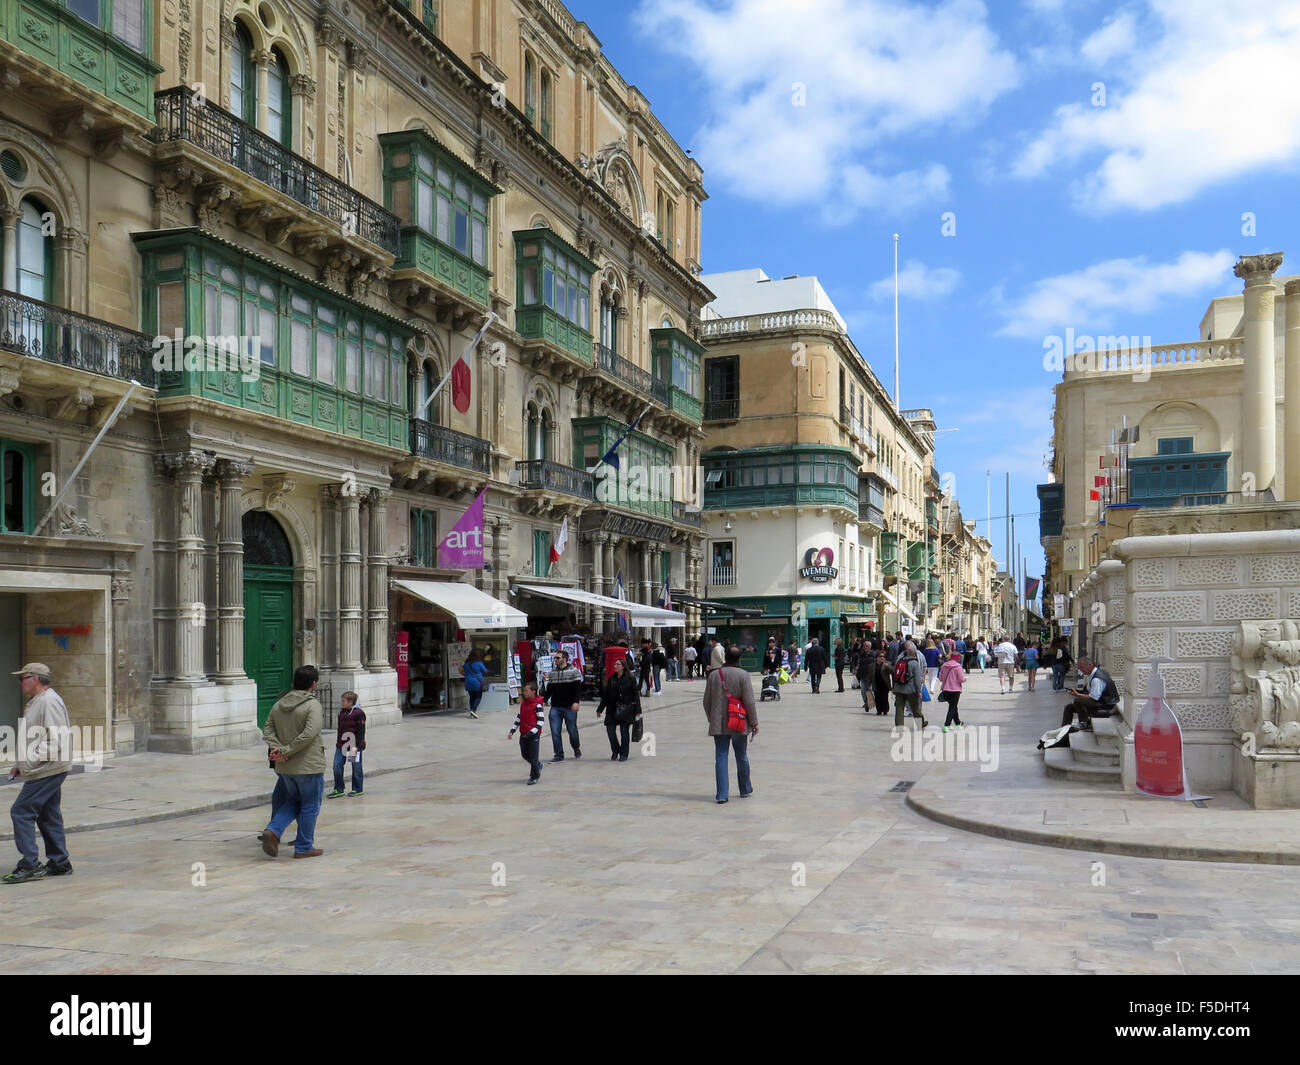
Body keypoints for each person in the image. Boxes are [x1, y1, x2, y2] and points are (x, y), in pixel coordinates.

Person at [5, 663, 73, 883]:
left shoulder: (48, 701)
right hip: (45, 767)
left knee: (21, 812)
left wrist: (31, 761)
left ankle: (30, 864)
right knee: (48, 814)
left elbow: (57, 740)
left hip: (47, 769)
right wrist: (20, 763)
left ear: (35, 678)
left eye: (22, 678)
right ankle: (60, 862)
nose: (20, 683)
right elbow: (34, 738)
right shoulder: (38, 701)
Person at [261, 664, 327, 859]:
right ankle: (304, 846)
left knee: (293, 801)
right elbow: (310, 734)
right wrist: (287, 750)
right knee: (310, 805)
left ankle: (273, 830)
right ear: (313, 684)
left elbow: (267, 730)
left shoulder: (279, 704)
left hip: (285, 766)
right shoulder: (312, 705)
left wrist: (277, 750)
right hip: (308, 764)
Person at [703, 645, 758, 803]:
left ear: (725, 657)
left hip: (719, 723)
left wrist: (711, 718)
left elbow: (706, 701)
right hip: (738, 721)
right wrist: (754, 722)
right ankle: (745, 788)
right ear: (740, 658)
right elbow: (749, 701)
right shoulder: (743, 675)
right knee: (741, 755)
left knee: (721, 756)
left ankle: (722, 794)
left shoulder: (714, 675)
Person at [596, 656, 641, 761]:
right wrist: (600, 709)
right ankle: (615, 750)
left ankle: (624, 753)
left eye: (617, 664)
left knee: (624, 732)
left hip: (626, 709)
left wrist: (638, 711)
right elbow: (606, 696)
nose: (615, 666)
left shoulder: (631, 679)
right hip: (612, 709)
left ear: (623, 667)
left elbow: (636, 696)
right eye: (614, 664)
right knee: (610, 731)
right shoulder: (611, 679)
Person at [545, 649, 584, 761]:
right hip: (556, 707)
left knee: (572, 731)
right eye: (555, 658)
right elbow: (549, 689)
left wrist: (576, 702)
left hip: (569, 706)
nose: (555, 660)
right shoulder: (553, 672)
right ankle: (558, 754)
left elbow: (577, 688)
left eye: (558, 658)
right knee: (555, 731)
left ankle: (576, 748)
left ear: (565, 659)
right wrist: (543, 700)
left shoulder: (574, 671)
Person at [1061, 657, 1120, 731]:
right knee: (1069, 707)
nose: (1081, 670)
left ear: (1089, 666)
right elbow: (1090, 692)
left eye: (1082, 667)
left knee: (1078, 701)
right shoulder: (1092, 675)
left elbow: (1094, 697)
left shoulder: (1097, 679)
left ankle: (1083, 723)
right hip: (1099, 700)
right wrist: (1077, 692)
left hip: (1105, 704)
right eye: (1079, 668)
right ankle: (1064, 729)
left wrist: (1078, 695)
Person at [328, 690, 365, 799]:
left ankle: (357, 789)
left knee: (355, 766)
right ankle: (338, 789)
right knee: (336, 765)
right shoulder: (341, 713)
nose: (342, 703)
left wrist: (357, 746)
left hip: (353, 745)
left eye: (344, 701)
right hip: (341, 745)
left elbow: (361, 731)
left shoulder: (358, 713)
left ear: (351, 702)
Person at [509, 681, 545, 784]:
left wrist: (532, 732)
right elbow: (519, 718)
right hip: (523, 734)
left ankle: (534, 776)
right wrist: (513, 730)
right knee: (525, 755)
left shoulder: (537, 705)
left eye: (526, 691)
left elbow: (541, 721)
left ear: (533, 692)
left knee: (533, 757)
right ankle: (538, 765)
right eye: (524, 691)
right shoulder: (523, 704)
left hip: (533, 735)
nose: (524, 693)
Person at [891, 641, 927, 729]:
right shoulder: (914, 663)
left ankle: (899, 727)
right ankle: (920, 724)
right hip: (911, 690)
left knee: (899, 708)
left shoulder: (899, 660)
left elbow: (895, 674)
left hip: (899, 689)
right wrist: (919, 691)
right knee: (915, 708)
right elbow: (917, 679)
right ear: (914, 653)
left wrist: (894, 688)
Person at [938, 651, 966, 731]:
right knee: (952, 707)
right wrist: (965, 679)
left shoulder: (944, 665)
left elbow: (941, 678)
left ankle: (958, 723)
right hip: (955, 690)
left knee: (953, 707)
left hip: (946, 689)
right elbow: (961, 679)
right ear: (958, 658)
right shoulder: (958, 666)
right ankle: (946, 725)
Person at [463, 650, 488, 719]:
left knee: (472, 697)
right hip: (477, 682)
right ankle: (473, 710)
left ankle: (472, 711)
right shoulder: (479, 663)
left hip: (468, 682)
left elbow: (464, 672)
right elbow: (485, 671)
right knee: (478, 696)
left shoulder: (466, 664)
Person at [871, 649, 892, 717]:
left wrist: (887, 666)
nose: (882, 658)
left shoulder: (886, 665)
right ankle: (879, 710)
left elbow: (892, 672)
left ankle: (885, 710)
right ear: (877, 657)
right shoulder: (872, 665)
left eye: (883, 656)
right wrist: (868, 684)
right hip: (876, 684)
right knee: (877, 698)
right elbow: (870, 675)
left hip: (884, 684)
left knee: (884, 698)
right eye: (880, 656)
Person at [854, 645, 874, 712]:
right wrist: (857, 674)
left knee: (870, 689)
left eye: (867, 646)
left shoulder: (873, 654)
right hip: (863, 674)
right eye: (864, 646)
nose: (865, 647)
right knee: (863, 690)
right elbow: (859, 665)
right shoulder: (861, 654)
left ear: (870, 647)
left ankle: (870, 702)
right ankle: (866, 702)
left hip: (870, 676)